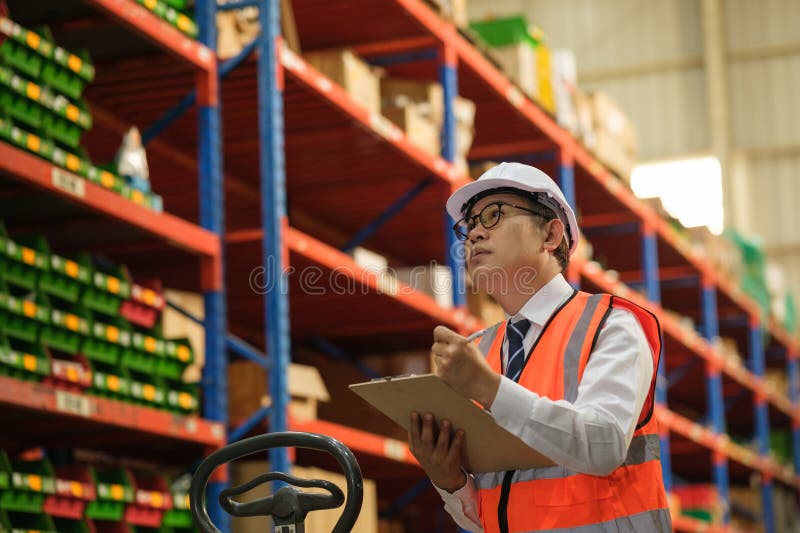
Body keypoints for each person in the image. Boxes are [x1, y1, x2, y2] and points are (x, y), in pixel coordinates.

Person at [408, 162, 671, 532]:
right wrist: (449, 481)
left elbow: (604, 444)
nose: (475, 234)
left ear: (550, 234)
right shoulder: (479, 352)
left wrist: (490, 390)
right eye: (469, 225)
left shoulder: (611, 325)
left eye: (494, 215)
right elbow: (492, 516)